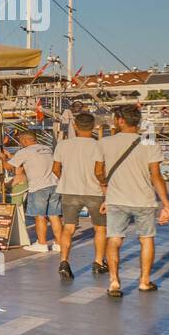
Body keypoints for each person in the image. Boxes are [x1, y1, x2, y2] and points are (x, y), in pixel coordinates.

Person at [95, 105, 169, 297]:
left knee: (114, 240)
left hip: (116, 200)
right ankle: (144, 282)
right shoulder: (149, 142)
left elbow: (98, 172)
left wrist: (107, 192)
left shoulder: (105, 142)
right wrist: (166, 204)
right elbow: (156, 175)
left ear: (121, 120)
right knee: (146, 240)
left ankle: (114, 282)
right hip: (144, 200)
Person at [51, 112, 106, 279]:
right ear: (94, 125)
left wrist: (66, 179)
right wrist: (104, 185)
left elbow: (55, 169)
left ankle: (64, 261)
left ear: (75, 125)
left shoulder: (63, 145)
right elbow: (99, 171)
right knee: (100, 228)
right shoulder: (99, 146)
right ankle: (98, 262)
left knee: (68, 227)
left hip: (69, 190)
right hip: (94, 191)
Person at [2, 130, 63, 253]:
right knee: (54, 216)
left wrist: (3, 158)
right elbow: (31, 159)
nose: (20, 143)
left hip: (39, 187)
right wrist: (11, 157)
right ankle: (59, 244)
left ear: (24, 140)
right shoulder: (47, 148)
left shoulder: (24, 151)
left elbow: (8, 167)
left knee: (39, 216)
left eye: (20, 140)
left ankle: (42, 244)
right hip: (54, 185)